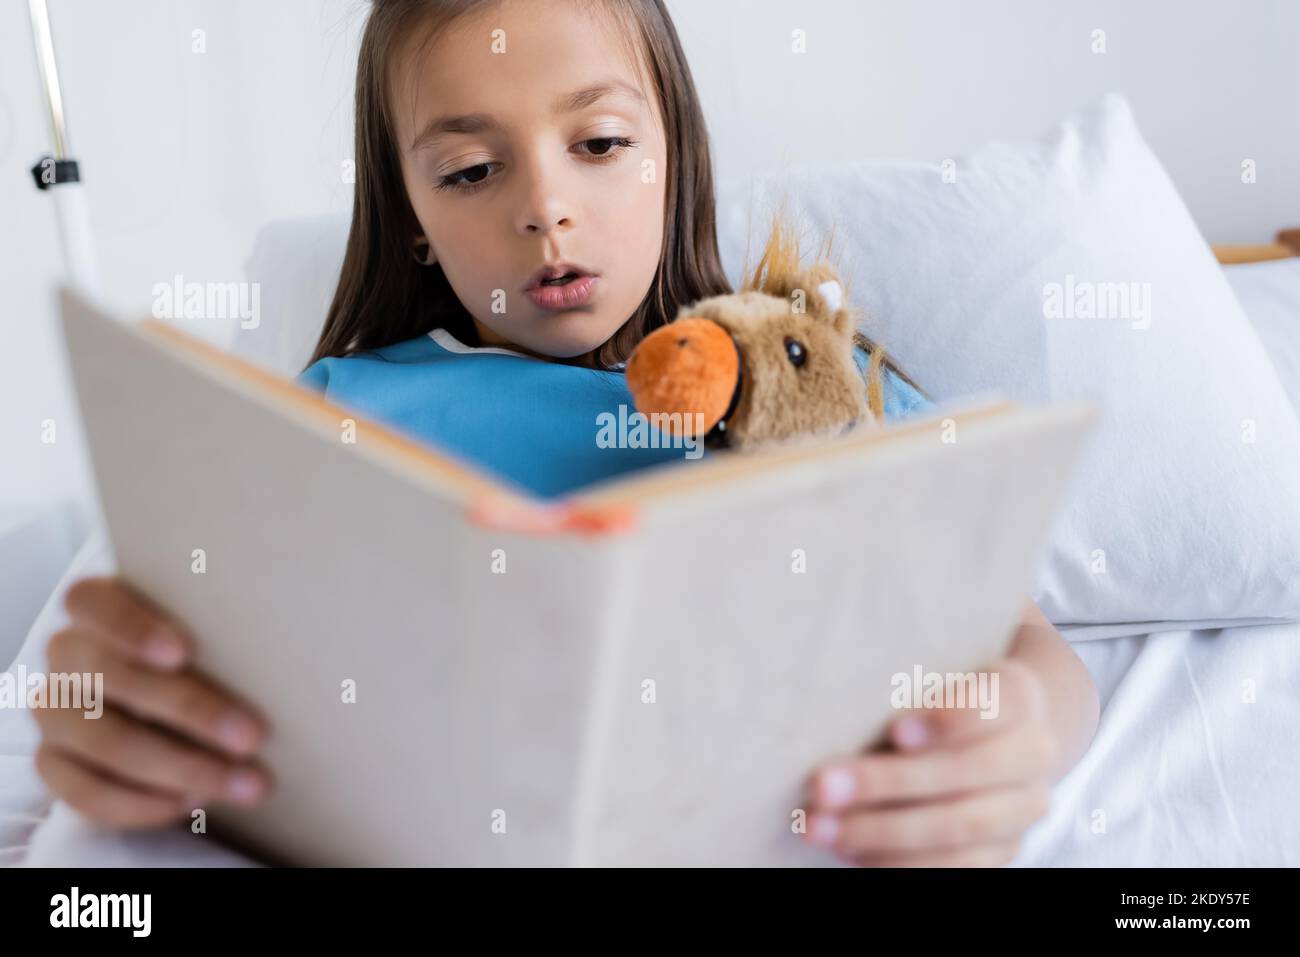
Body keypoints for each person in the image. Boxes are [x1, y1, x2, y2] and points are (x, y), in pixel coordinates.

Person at [35, 0, 1098, 867]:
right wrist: (118, 698)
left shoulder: (804, 378)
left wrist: (1025, 725)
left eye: (599, 144)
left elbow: (1025, 639)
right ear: (412, 216)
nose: (545, 206)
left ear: (675, 155)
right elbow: (201, 634)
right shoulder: (337, 408)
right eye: (469, 170)